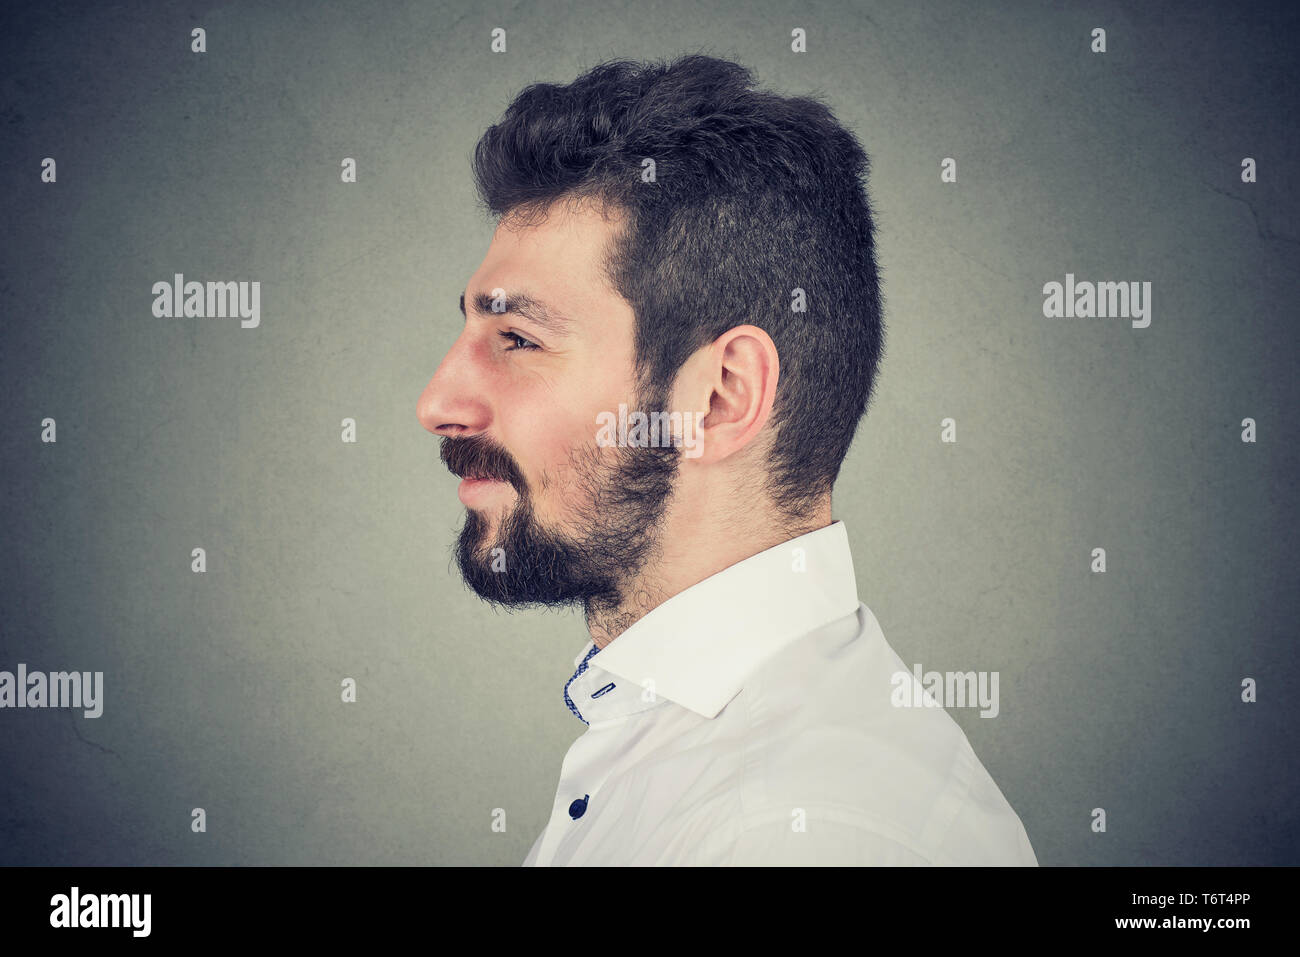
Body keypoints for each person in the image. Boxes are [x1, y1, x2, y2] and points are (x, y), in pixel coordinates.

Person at [416, 54, 1037, 866]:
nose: (437, 402)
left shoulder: (800, 836)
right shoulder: (679, 738)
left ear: (719, 397)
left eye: (520, 340)